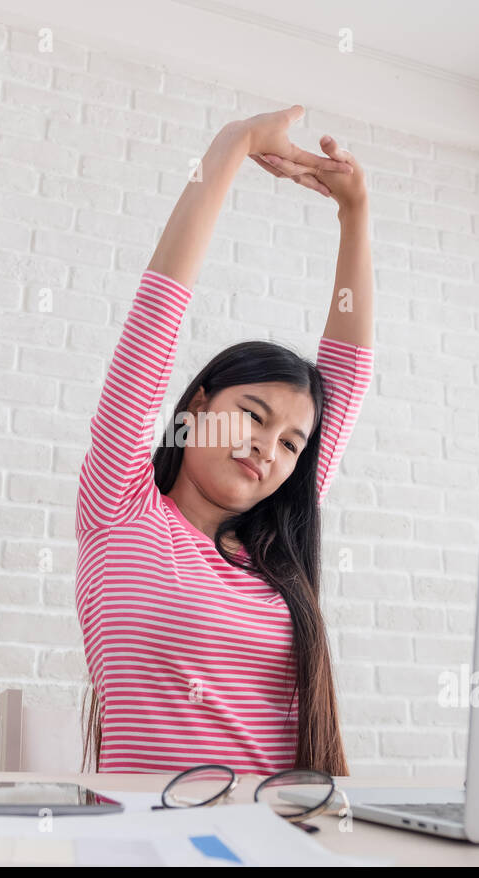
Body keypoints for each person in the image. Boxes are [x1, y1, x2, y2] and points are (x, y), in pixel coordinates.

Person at [75, 105, 375, 777]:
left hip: (284, 835)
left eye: (293, 443)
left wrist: (353, 215)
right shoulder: (120, 508)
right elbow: (157, 315)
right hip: (146, 840)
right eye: (255, 417)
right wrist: (233, 146)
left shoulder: (273, 549)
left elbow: (347, 378)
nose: (270, 449)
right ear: (200, 405)